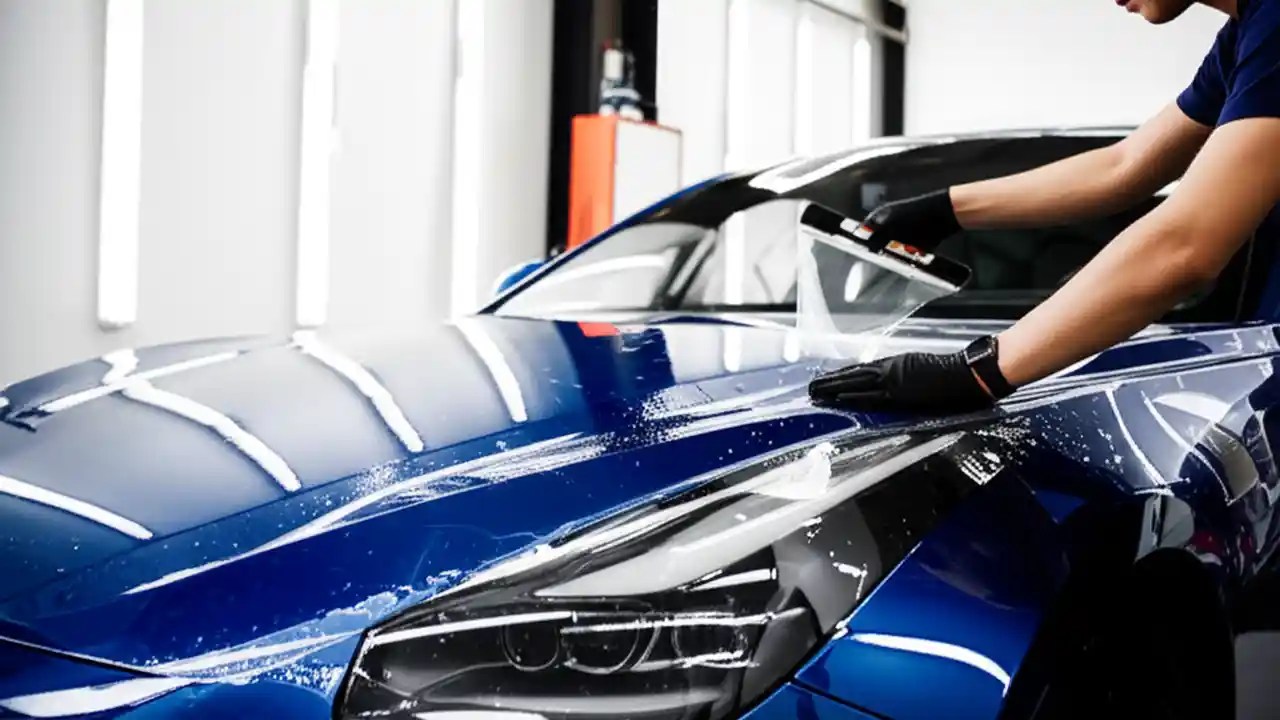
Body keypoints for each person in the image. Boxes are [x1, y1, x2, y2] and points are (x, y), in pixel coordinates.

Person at [810, 0, 1280, 414]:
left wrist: (980, 370)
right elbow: (1126, 165)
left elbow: (1184, 246)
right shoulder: (1246, 36)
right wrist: (945, 209)